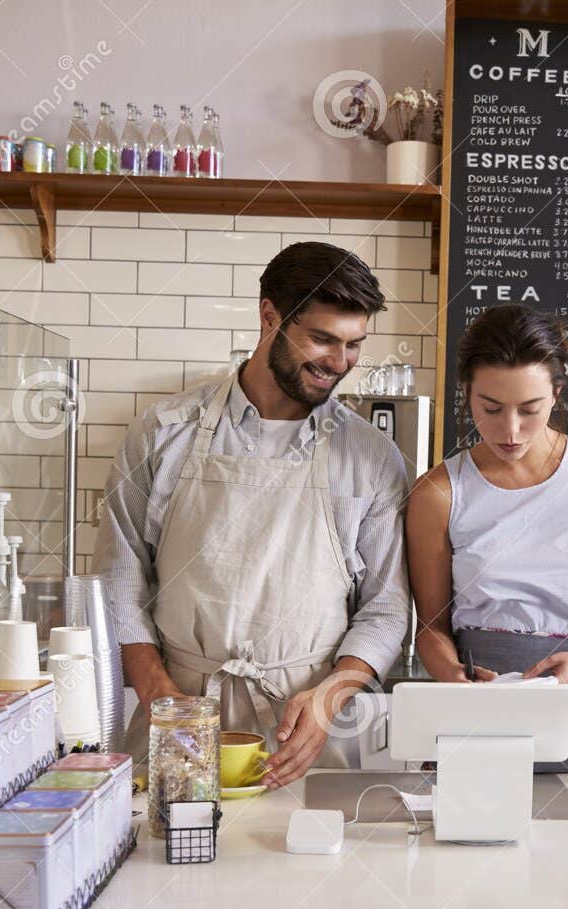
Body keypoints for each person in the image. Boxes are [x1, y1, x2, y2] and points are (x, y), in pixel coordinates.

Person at [95, 241, 410, 788]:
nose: (339, 363)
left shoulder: (371, 458)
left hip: (309, 734)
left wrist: (331, 697)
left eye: (354, 345)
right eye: (322, 339)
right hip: (181, 720)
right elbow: (118, 581)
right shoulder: (163, 431)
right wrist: (162, 700)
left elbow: (386, 609)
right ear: (270, 316)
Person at [405, 304, 568, 772]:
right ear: (468, 393)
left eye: (529, 409)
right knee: (464, 831)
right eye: (490, 409)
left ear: (556, 394)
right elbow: (431, 627)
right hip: (472, 710)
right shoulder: (438, 492)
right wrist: (455, 679)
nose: (510, 430)